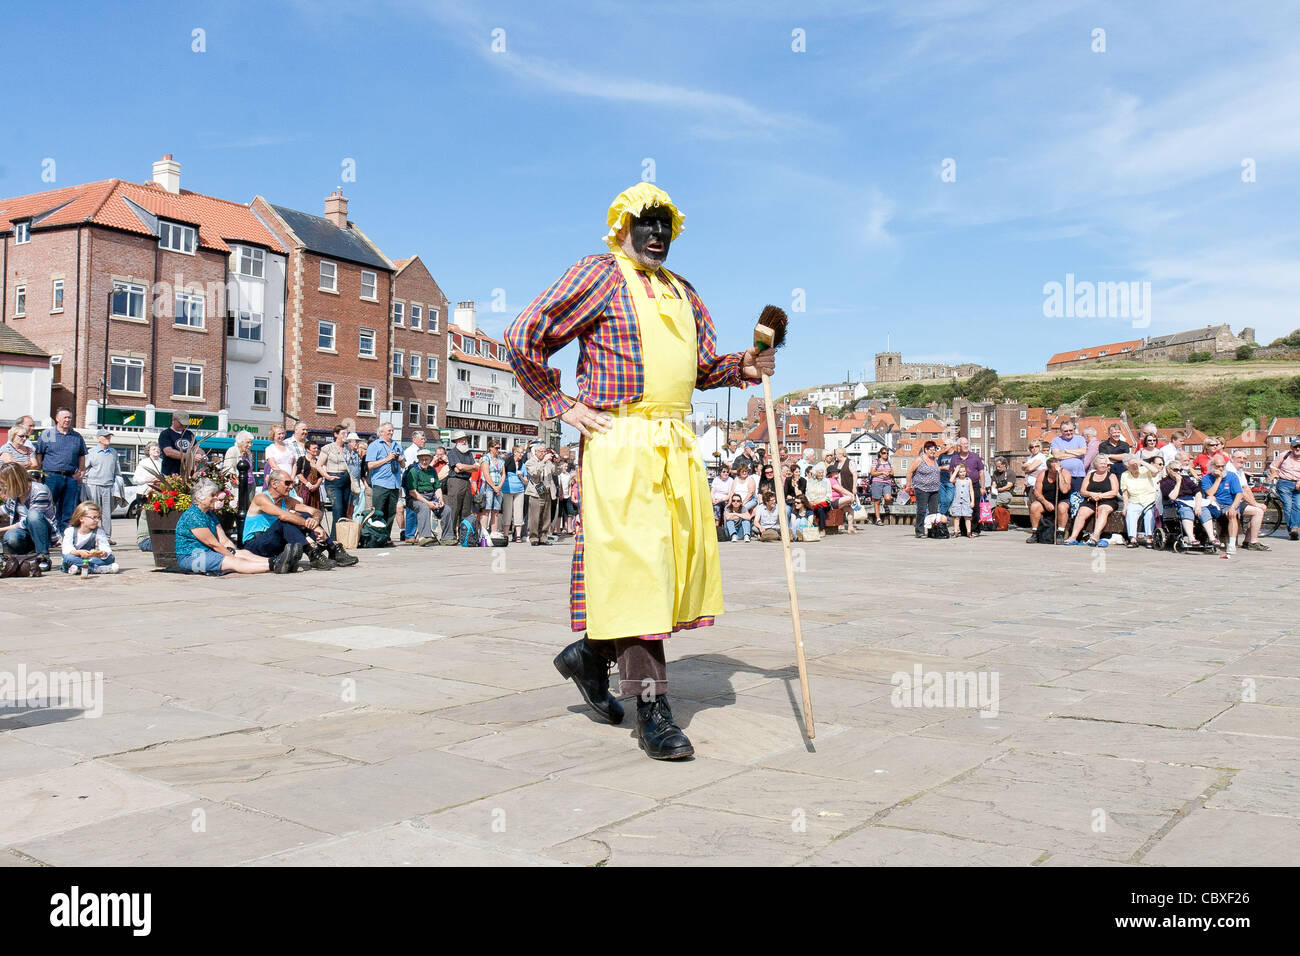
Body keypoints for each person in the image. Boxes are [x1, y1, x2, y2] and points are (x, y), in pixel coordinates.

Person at [505, 182, 773, 760]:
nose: (656, 235)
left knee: (668, 568)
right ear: (622, 226)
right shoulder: (599, 273)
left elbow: (703, 366)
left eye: (665, 227)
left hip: (676, 442)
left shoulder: (684, 291)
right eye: (646, 224)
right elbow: (523, 334)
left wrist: (744, 366)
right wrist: (563, 404)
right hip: (620, 438)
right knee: (638, 572)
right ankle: (653, 709)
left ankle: (589, 655)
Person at [242, 470, 356, 568]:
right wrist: (310, 525)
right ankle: (312, 554)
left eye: (292, 483)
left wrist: (315, 521)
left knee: (305, 516)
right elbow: (283, 516)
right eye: (287, 483)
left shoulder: (286, 500)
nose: (291, 487)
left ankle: (332, 549)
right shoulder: (261, 498)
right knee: (286, 520)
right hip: (255, 545)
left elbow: (315, 511)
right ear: (274, 484)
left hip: (274, 543)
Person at [173, 479, 287, 574]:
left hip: (208, 553)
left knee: (244, 553)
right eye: (212, 495)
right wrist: (233, 557)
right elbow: (213, 544)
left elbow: (224, 540)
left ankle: (276, 560)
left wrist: (234, 551)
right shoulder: (193, 516)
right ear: (199, 498)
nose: (216, 498)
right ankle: (275, 565)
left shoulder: (209, 514)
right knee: (233, 562)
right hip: (192, 557)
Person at [34, 407, 87, 530]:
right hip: (51, 477)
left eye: (69, 417)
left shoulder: (76, 436)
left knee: (69, 509)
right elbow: (39, 454)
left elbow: (81, 455)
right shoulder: (47, 435)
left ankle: (65, 536)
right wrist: (39, 473)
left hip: (71, 477)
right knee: (50, 507)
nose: (68, 420)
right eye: (65, 417)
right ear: (57, 419)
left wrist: (81, 472)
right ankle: (51, 534)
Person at [0, 461, 56, 571]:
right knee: (10, 537)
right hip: (25, 533)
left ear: (13, 480)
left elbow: (27, 521)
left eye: (3, 482)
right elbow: (6, 509)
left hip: (43, 531)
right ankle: (27, 558)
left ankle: (43, 557)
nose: (1, 485)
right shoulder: (15, 492)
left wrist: (1, 529)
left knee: (33, 515)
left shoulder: (40, 491)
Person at [1065, 453, 1118, 546]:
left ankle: (1096, 535)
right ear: (1096, 464)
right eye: (1101, 463)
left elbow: (1114, 492)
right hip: (1091, 499)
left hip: (1107, 500)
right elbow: (1082, 491)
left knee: (1103, 510)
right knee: (1082, 512)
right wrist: (1092, 494)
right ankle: (1073, 537)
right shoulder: (1090, 475)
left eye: (1105, 463)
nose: (1104, 465)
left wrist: (1101, 496)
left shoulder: (1112, 476)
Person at [364, 422, 403, 545]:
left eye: (392, 431)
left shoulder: (397, 445)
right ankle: (375, 538)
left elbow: (403, 465)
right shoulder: (375, 446)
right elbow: (370, 465)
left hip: (395, 484)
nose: (391, 433)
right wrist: (386, 459)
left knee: (391, 513)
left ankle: (386, 537)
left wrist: (400, 459)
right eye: (388, 431)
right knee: (378, 512)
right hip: (381, 483)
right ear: (381, 432)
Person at [83, 428, 122, 543]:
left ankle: (106, 537)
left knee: (106, 513)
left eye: (109, 436)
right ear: (99, 438)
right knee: (93, 512)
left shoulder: (113, 453)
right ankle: (92, 536)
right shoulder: (91, 452)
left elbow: (117, 471)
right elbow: (84, 469)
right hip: (93, 485)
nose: (108, 438)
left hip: (108, 485)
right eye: (105, 437)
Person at [1227, 450, 1271, 551]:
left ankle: (1248, 541)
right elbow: (1241, 491)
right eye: (1239, 458)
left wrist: (1255, 503)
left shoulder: (1239, 470)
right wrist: (1256, 504)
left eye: (1244, 458)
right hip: (1228, 502)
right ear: (1232, 459)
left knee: (1257, 509)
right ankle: (1252, 542)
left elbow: (1246, 488)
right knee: (1258, 511)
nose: (1242, 460)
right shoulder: (1230, 470)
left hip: (1236, 501)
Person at [1201, 454, 1243, 556]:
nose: (1221, 468)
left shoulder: (1232, 476)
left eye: (1222, 466)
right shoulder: (1206, 478)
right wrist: (1218, 479)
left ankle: (1232, 544)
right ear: (1212, 467)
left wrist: (1233, 507)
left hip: (1229, 504)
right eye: (1218, 466)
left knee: (1232, 514)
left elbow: (1239, 494)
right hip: (1215, 505)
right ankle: (1211, 539)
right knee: (1210, 499)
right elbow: (1210, 493)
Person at [61, 502, 118, 574]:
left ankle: (80, 569)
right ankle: (95, 569)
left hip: (90, 559)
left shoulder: (98, 532)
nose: (97, 520)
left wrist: (103, 552)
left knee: (110, 558)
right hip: (76, 558)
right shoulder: (70, 531)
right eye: (93, 517)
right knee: (68, 558)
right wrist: (78, 552)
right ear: (81, 518)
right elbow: (66, 549)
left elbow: (105, 547)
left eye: (98, 518)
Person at [1159, 458, 1204, 544]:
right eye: (1176, 470)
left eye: (1180, 470)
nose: (1179, 472)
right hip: (1176, 505)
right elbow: (1172, 497)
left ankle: (1211, 537)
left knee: (1205, 510)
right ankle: (1191, 538)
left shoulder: (1186, 479)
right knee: (1186, 510)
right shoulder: (1165, 482)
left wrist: (1198, 505)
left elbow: (1197, 491)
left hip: (1191, 502)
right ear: (1168, 470)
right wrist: (1178, 482)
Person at [317, 425, 352, 534]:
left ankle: (341, 536)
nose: (345, 436)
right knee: (337, 508)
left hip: (346, 480)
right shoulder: (328, 448)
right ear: (336, 434)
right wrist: (327, 476)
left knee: (344, 509)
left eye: (346, 434)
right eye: (343, 434)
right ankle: (334, 538)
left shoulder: (348, 449)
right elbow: (318, 465)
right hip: (333, 480)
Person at [1119, 455, 1160, 547]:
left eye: (1136, 464)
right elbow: (1125, 493)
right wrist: (1125, 507)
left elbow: (1155, 471)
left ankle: (1149, 538)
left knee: (1150, 514)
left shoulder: (1145, 470)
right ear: (1127, 466)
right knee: (1130, 513)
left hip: (1149, 499)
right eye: (1132, 465)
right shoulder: (1125, 475)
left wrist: (1141, 462)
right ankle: (1132, 538)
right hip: (1134, 500)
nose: (1135, 466)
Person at [906, 440, 942, 539]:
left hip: (934, 489)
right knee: (921, 510)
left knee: (933, 511)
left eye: (934, 450)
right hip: (921, 488)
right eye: (931, 450)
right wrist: (908, 484)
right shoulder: (919, 459)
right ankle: (919, 531)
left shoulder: (935, 459)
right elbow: (909, 471)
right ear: (926, 450)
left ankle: (932, 531)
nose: (933, 452)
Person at [1028, 457, 1070, 542]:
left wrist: (1059, 474)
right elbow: (1037, 492)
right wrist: (1045, 502)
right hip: (1046, 500)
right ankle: (1035, 533)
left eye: (1059, 466)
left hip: (1061, 500)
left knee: (1062, 507)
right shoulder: (1043, 474)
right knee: (1034, 506)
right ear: (1049, 469)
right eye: (1055, 467)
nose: (1059, 468)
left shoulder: (1065, 473)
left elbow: (1064, 490)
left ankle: (1060, 533)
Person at [522, 442, 556, 546]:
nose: (543, 453)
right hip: (536, 492)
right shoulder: (530, 462)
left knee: (546, 517)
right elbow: (534, 473)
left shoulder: (548, 462)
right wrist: (544, 461)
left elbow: (556, 472)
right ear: (536, 452)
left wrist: (556, 462)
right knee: (535, 516)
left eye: (545, 451)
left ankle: (543, 537)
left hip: (547, 491)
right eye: (541, 451)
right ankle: (534, 538)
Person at [443, 430, 476, 535]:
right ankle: (450, 534)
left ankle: (463, 534)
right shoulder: (453, 452)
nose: (464, 441)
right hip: (455, 481)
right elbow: (458, 468)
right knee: (454, 508)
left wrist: (464, 468)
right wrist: (469, 467)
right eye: (461, 439)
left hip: (466, 481)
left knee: (466, 510)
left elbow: (475, 468)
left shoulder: (469, 453)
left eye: (465, 439)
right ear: (456, 441)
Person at [1267, 437, 1300, 540]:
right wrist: (1274, 474)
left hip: (1298, 484)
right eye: (1295, 447)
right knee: (1288, 506)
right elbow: (1273, 466)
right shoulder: (1285, 455)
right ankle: (1293, 530)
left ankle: (1293, 529)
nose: (1298, 449)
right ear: (1291, 447)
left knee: (1298, 505)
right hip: (1284, 483)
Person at [400, 430, 430, 542]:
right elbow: (408, 469)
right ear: (414, 439)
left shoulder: (421, 451)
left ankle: (416, 533)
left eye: (424, 438)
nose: (424, 440)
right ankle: (409, 535)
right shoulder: (410, 451)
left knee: (419, 507)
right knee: (411, 508)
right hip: (411, 482)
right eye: (422, 438)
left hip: (420, 482)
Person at [1050, 421, 1087, 495]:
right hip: (1062, 475)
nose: (1069, 433)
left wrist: (1067, 451)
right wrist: (1076, 454)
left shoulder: (1080, 439)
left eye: (1071, 430)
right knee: (1064, 497)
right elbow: (1056, 455)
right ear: (1061, 431)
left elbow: (1083, 452)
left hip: (1078, 474)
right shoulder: (1056, 440)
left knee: (1077, 497)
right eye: (1066, 431)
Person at [501, 443, 528, 542]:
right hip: (507, 490)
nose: (521, 455)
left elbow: (526, 482)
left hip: (519, 491)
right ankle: (506, 534)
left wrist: (520, 476)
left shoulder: (523, 465)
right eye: (520, 453)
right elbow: (502, 475)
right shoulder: (506, 463)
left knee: (518, 513)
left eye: (523, 453)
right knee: (507, 512)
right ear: (515, 452)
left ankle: (518, 536)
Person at [156, 413, 197, 478]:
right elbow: (168, 452)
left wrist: (201, 455)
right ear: (174, 420)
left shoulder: (189, 434)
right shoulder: (165, 434)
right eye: (181, 423)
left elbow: (197, 448)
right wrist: (190, 456)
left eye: (185, 424)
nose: (183, 425)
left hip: (187, 474)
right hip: (170, 474)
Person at [479, 441, 505, 538]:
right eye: (496, 448)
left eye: (499, 448)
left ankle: (494, 531)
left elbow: (503, 474)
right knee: (486, 510)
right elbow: (486, 474)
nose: (498, 450)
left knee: (496, 510)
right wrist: (494, 487)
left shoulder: (500, 460)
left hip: (498, 487)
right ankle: (483, 532)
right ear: (490, 448)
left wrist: (499, 487)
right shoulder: (486, 458)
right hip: (488, 486)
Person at [867, 449, 895, 525]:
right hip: (877, 482)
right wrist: (882, 472)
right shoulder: (876, 461)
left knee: (888, 498)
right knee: (877, 501)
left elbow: (892, 472)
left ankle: (885, 505)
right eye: (884, 453)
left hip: (887, 482)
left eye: (887, 453)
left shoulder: (889, 462)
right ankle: (878, 519)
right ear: (880, 453)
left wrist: (888, 473)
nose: (885, 454)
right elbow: (872, 473)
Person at [804, 462, 832, 530]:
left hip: (823, 503)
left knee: (820, 509)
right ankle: (807, 529)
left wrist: (819, 501)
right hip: (812, 503)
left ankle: (822, 529)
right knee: (807, 510)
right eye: (819, 473)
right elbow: (807, 493)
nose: (821, 474)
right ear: (815, 473)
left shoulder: (826, 481)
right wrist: (810, 501)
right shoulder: (810, 481)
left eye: (822, 472)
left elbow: (829, 495)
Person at [950, 463, 975, 537]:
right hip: (957, 501)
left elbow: (971, 491)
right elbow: (951, 480)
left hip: (966, 501)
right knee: (956, 517)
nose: (962, 473)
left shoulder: (968, 480)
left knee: (967, 517)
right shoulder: (956, 480)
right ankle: (956, 532)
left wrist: (972, 501)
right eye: (960, 472)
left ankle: (969, 532)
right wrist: (955, 471)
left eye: (964, 471)